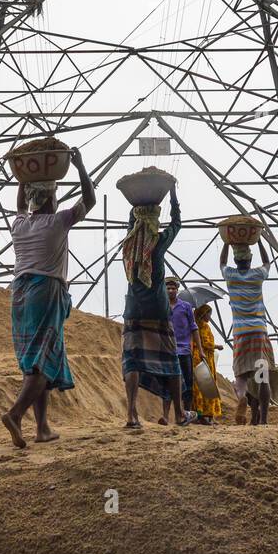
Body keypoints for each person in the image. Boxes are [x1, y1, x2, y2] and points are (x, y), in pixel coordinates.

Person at [2, 146, 95, 449]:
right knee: (44, 361)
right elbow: (89, 200)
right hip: (46, 290)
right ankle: (15, 414)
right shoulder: (59, 222)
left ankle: (42, 427)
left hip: (19, 293)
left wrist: (21, 177)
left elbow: (19, 205)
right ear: (52, 199)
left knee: (36, 360)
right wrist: (80, 167)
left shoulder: (19, 224)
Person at [120, 183, 187, 430]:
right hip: (158, 312)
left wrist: (135, 204)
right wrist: (172, 195)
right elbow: (177, 223)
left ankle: (131, 414)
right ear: (155, 221)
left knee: (133, 361)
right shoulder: (158, 243)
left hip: (133, 311)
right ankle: (179, 414)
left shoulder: (129, 244)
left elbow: (132, 221)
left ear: (137, 218)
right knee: (171, 361)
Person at [220, 236, 272, 427]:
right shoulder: (257, 275)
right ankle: (264, 419)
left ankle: (241, 397)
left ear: (236, 261)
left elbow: (222, 262)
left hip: (240, 333)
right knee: (262, 377)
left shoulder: (231, 276)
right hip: (258, 332)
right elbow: (267, 262)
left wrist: (226, 241)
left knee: (241, 376)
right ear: (250, 261)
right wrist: (259, 241)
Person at [165, 276, 197, 424]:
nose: (171, 290)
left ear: (177, 290)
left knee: (188, 383)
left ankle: (186, 412)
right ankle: (165, 416)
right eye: (168, 288)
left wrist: (200, 349)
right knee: (167, 383)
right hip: (168, 350)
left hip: (184, 351)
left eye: (173, 288)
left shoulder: (185, 307)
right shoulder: (162, 307)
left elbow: (193, 328)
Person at [190, 304, 223, 424]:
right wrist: (217, 346)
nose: (210, 316)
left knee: (199, 386)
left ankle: (202, 414)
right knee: (207, 385)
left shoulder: (195, 325)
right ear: (204, 314)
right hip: (203, 356)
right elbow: (205, 343)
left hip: (197, 356)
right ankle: (205, 415)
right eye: (209, 314)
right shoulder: (203, 326)